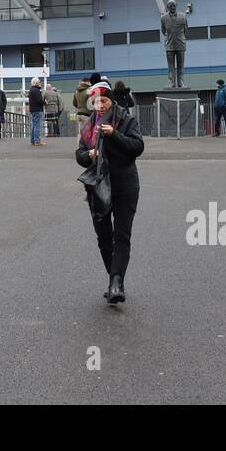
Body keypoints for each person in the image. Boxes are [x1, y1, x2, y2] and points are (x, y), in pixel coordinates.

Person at [75, 80, 145, 304]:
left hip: (125, 185)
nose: (100, 105)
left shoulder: (126, 119)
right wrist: (89, 156)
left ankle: (116, 282)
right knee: (103, 237)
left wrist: (115, 134)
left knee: (121, 236)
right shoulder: (88, 126)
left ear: (111, 101)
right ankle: (113, 279)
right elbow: (79, 153)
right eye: (96, 101)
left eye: (104, 100)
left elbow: (137, 147)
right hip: (99, 186)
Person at [28, 79, 46, 146]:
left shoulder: (31, 90)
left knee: (34, 125)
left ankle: (33, 140)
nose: (40, 83)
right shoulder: (36, 90)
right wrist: (44, 102)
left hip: (32, 109)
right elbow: (39, 100)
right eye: (39, 82)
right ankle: (37, 141)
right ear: (36, 83)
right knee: (37, 125)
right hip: (37, 109)